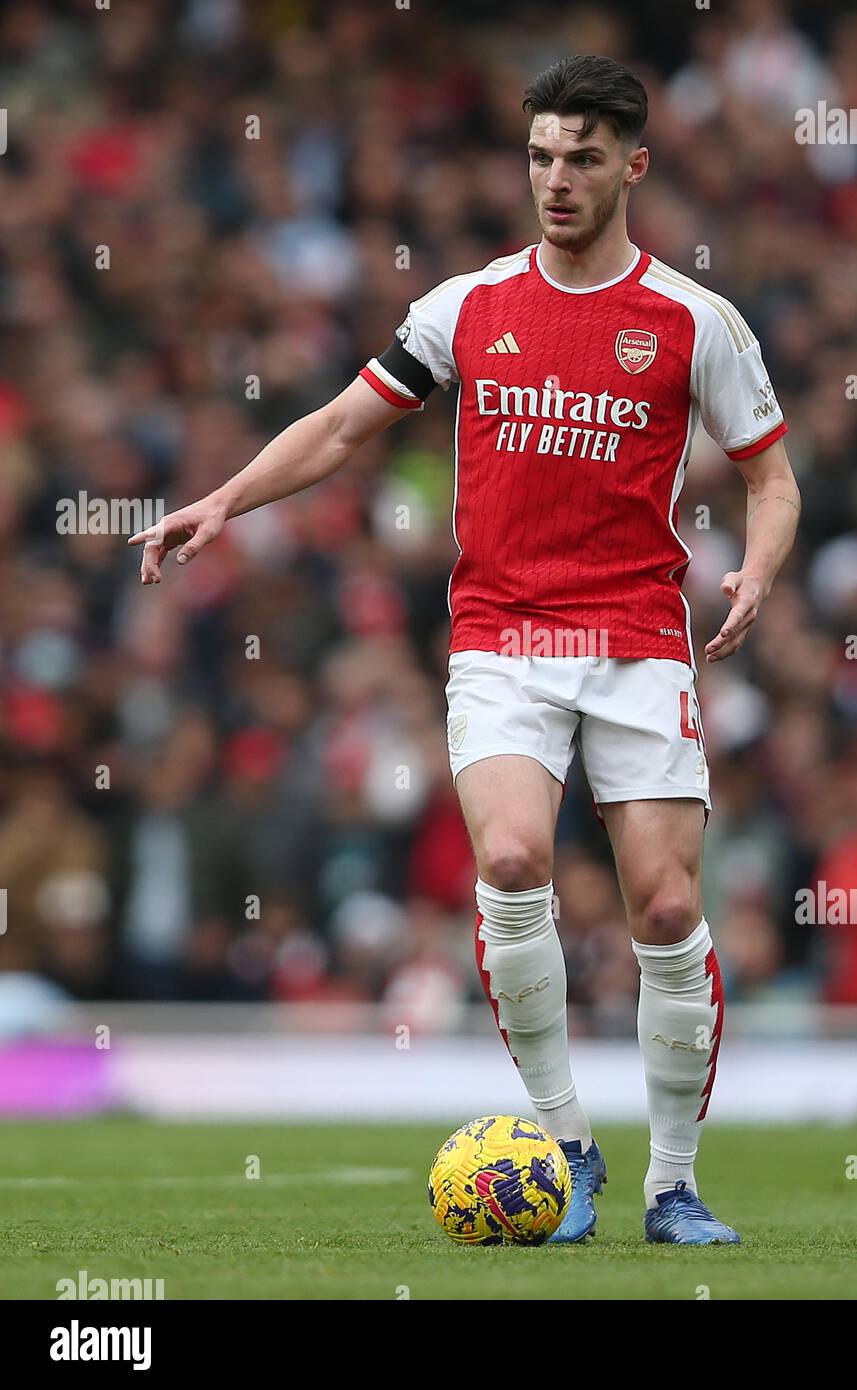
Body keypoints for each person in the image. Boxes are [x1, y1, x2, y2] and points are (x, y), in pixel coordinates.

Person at [130, 54, 801, 1245]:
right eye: (542, 154)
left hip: (641, 635)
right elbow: (342, 426)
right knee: (505, 859)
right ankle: (571, 1146)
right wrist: (226, 499)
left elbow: (773, 478)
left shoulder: (695, 321)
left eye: (583, 157)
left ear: (631, 166)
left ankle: (674, 1183)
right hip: (502, 634)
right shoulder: (466, 307)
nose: (557, 178)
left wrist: (757, 566)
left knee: (659, 906)